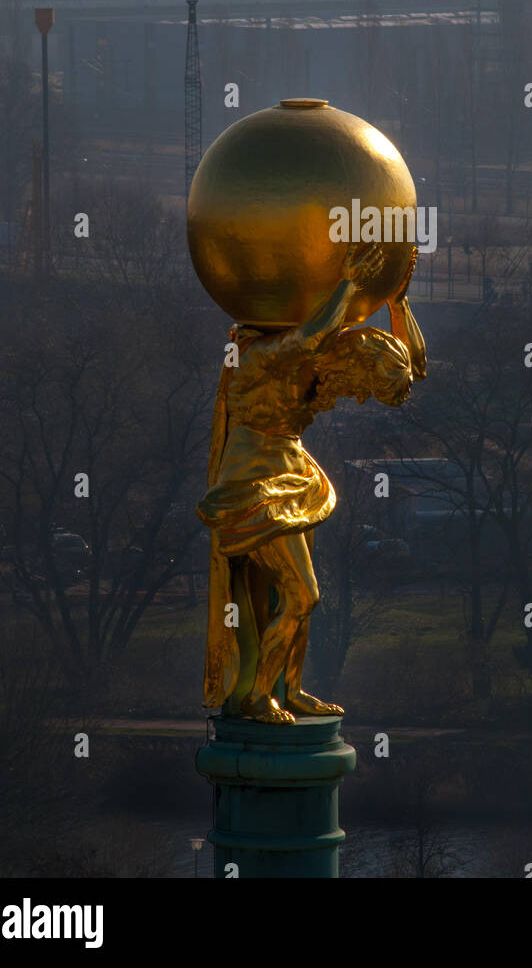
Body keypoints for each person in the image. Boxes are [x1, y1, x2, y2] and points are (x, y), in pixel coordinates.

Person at [198, 241, 426, 723]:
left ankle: (292, 688)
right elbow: (307, 339)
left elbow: (415, 369)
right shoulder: (263, 357)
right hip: (252, 485)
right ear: (348, 362)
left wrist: (397, 302)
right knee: (303, 595)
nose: (358, 399)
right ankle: (260, 696)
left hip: (291, 474)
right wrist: (349, 282)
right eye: (361, 387)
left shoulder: (327, 352)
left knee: (296, 593)